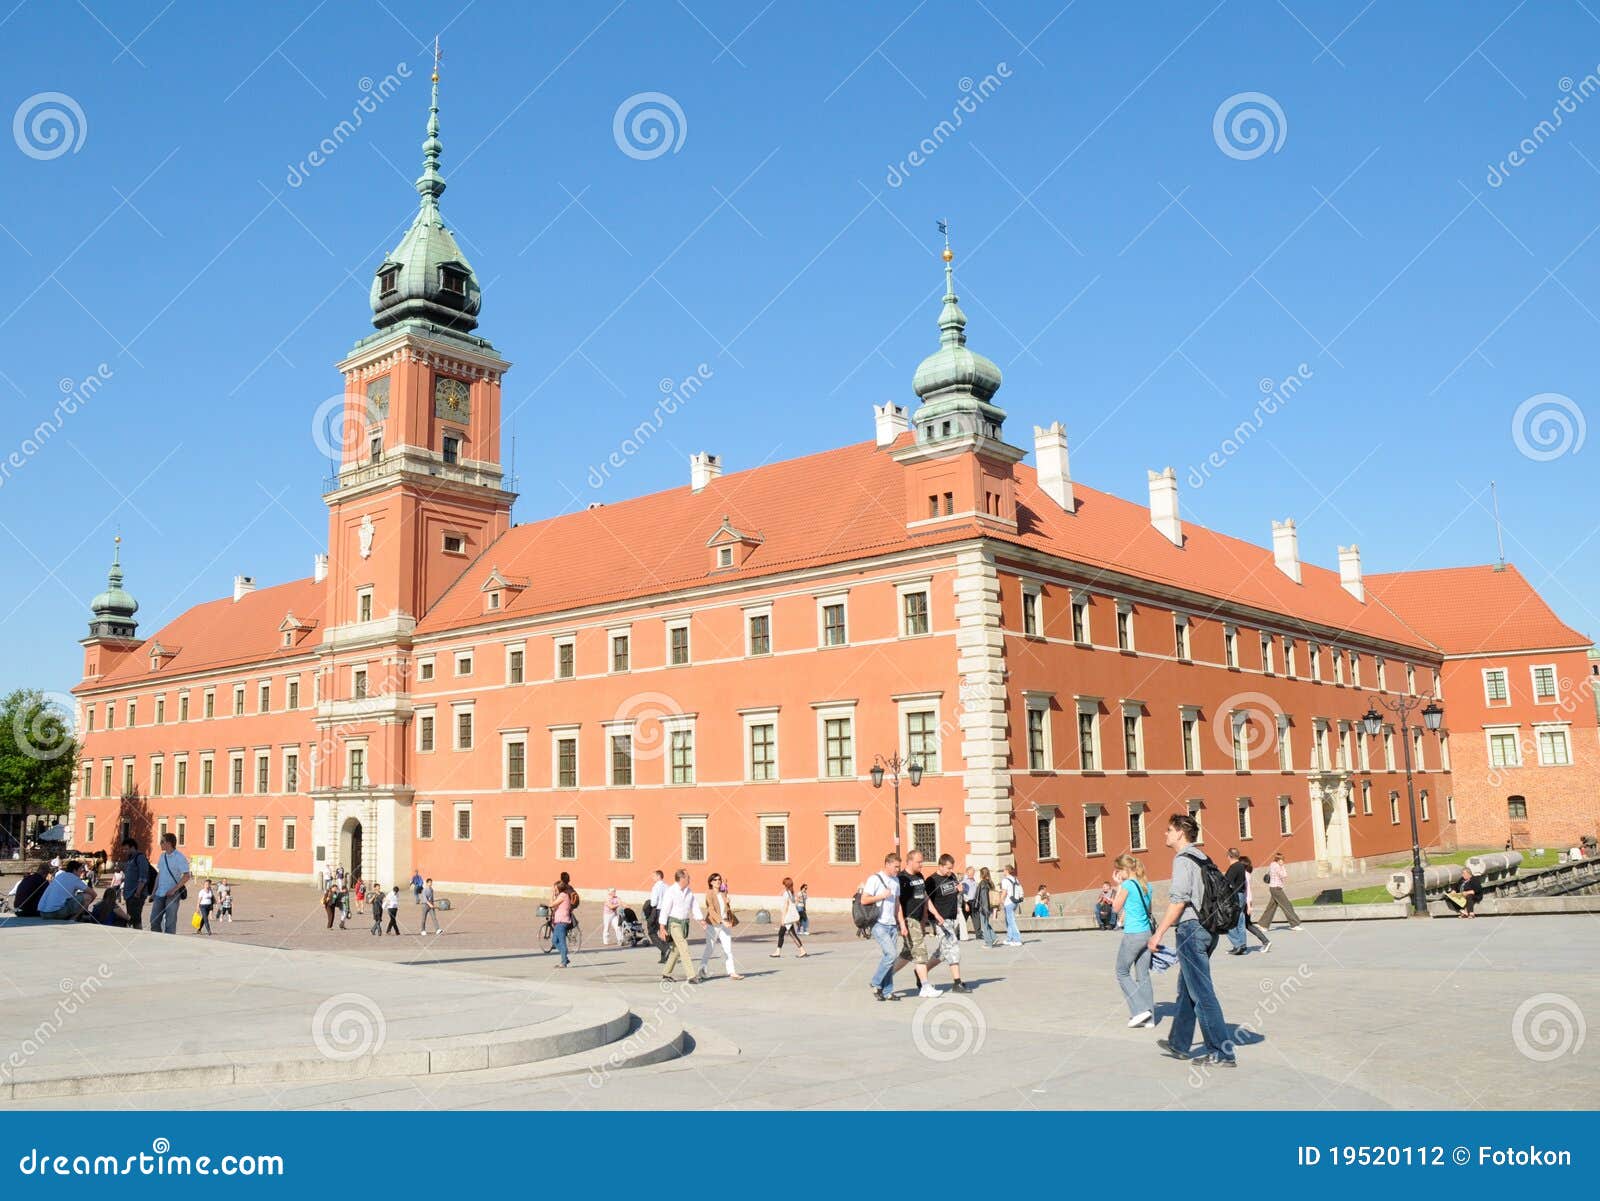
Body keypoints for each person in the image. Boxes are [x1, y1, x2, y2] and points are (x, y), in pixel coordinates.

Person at [1148, 814, 1234, 1067]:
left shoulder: (1183, 860)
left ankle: (1221, 1052)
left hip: (1191, 930)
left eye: (1168, 830)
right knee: (1187, 988)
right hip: (1209, 929)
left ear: (1180, 833)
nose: (1165, 834)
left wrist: (1158, 933)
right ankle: (1179, 1043)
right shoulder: (1202, 857)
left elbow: (1179, 900)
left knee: (1202, 993)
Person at [1112, 854, 1156, 1027]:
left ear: (1125, 870)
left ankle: (1140, 1010)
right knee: (1143, 975)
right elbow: (1149, 909)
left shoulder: (1128, 885)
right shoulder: (1146, 885)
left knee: (1122, 972)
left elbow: (1116, 907)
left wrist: (1118, 885)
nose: (1117, 874)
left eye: (1118, 870)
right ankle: (1150, 1019)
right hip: (1146, 933)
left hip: (1133, 934)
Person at [895, 849, 940, 997]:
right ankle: (925, 986)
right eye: (919, 862)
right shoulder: (901, 878)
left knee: (907, 954)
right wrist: (902, 923)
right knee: (920, 952)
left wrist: (930, 915)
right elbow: (897, 903)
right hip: (909, 919)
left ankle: (883, 977)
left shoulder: (920, 876)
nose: (922, 865)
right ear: (909, 861)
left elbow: (925, 897)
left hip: (919, 919)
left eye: (922, 861)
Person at [861, 853, 903, 1001]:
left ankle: (888, 991)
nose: (898, 869)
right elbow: (864, 900)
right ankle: (875, 982)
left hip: (892, 924)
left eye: (899, 866)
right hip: (878, 923)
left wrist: (901, 924)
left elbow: (897, 904)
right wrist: (881, 896)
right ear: (887, 864)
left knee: (890, 958)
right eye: (896, 866)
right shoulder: (875, 879)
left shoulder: (896, 880)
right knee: (891, 955)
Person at [924, 854, 968, 993]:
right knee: (953, 946)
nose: (950, 871)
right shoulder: (931, 880)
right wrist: (931, 918)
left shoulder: (952, 877)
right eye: (948, 868)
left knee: (943, 952)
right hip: (940, 919)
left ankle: (921, 971)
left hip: (952, 917)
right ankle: (957, 983)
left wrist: (960, 891)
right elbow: (926, 901)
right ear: (941, 866)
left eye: (952, 868)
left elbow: (955, 893)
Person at [698, 871, 743, 980]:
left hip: (724, 924)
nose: (718, 881)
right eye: (715, 880)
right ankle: (702, 970)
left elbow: (726, 910)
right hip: (712, 924)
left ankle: (732, 972)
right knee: (710, 948)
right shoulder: (709, 893)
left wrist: (728, 902)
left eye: (719, 879)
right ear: (711, 882)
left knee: (728, 949)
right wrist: (722, 921)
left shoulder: (723, 893)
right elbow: (711, 910)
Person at [1223, 849, 1270, 955]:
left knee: (1229, 922)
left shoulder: (1233, 867)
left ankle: (1238, 945)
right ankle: (1242, 946)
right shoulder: (1241, 867)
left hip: (1235, 897)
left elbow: (1226, 883)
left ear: (1229, 856)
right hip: (1241, 896)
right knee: (1241, 922)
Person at [657, 869, 697, 983]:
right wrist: (662, 927)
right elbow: (665, 909)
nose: (690, 879)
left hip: (684, 923)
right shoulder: (671, 891)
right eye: (688, 877)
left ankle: (666, 973)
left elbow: (694, 906)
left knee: (676, 950)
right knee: (683, 947)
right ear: (682, 878)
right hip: (674, 923)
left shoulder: (689, 891)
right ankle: (691, 976)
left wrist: (701, 920)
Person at [149, 833, 191, 934]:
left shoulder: (179, 857)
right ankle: (158, 941)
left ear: (169, 843)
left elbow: (187, 876)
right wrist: (153, 892)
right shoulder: (162, 856)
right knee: (154, 920)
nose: (160, 844)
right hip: (160, 893)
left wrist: (174, 890)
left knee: (170, 924)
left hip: (173, 894)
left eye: (162, 841)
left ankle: (169, 944)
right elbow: (159, 875)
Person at [1255, 852, 1302, 930]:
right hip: (1276, 889)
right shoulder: (1277, 866)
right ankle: (1294, 924)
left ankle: (1262, 925)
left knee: (1271, 907)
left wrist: (1281, 866)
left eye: (1283, 860)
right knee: (1287, 905)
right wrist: (1282, 866)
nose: (1282, 861)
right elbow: (1284, 875)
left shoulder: (1272, 864)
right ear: (1277, 860)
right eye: (1281, 860)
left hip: (1273, 888)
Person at [118, 837, 152, 930]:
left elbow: (143, 877)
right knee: (131, 919)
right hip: (130, 895)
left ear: (132, 847)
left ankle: (138, 937)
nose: (124, 851)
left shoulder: (140, 857)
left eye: (126, 849)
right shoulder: (130, 859)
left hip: (136, 895)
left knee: (136, 920)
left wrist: (138, 892)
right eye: (123, 849)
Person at [771, 876, 807, 958]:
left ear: (786, 885)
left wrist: (783, 919)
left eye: (784, 884)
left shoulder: (786, 893)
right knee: (785, 934)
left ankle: (801, 950)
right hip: (790, 917)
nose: (783, 885)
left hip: (787, 918)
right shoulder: (791, 893)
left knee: (785, 934)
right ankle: (779, 951)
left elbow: (785, 907)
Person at [645, 869, 670, 964]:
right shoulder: (667, 886)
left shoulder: (656, 887)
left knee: (651, 932)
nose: (652, 878)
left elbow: (653, 902)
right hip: (666, 911)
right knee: (663, 932)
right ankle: (664, 957)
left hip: (657, 910)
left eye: (653, 876)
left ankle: (665, 949)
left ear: (658, 876)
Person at [550, 876, 575, 966]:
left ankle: (564, 962)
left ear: (559, 888)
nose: (554, 889)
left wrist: (552, 894)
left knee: (561, 941)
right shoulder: (561, 896)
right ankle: (565, 958)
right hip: (559, 922)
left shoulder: (563, 896)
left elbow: (551, 904)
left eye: (555, 888)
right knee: (554, 941)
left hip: (562, 922)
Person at [999, 864, 1024, 946]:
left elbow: (1004, 891)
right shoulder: (1015, 879)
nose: (1003, 871)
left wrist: (1001, 900)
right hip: (1015, 902)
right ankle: (1009, 939)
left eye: (1004, 870)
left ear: (1006, 871)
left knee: (1011, 921)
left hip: (1008, 902)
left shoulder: (1005, 880)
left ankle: (1017, 939)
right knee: (1009, 920)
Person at [975, 866, 998, 947]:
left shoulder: (983, 883)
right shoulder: (990, 882)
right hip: (989, 906)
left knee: (984, 925)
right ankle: (994, 937)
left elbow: (984, 897)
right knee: (986, 923)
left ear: (981, 874)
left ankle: (988, 943)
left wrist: (983, 908)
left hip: (984, 907)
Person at [959, 868, 977, 940]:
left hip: (973, 902)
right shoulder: (964, 882)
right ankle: (958, 935)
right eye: (971, 873)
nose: (972, 874)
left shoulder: (973, 881)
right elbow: (963, 894)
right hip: (966, 902)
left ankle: (979, 934)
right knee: (963, 920)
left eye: (973, 873)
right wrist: (966, 904)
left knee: (976, 919)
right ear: (967, 873)